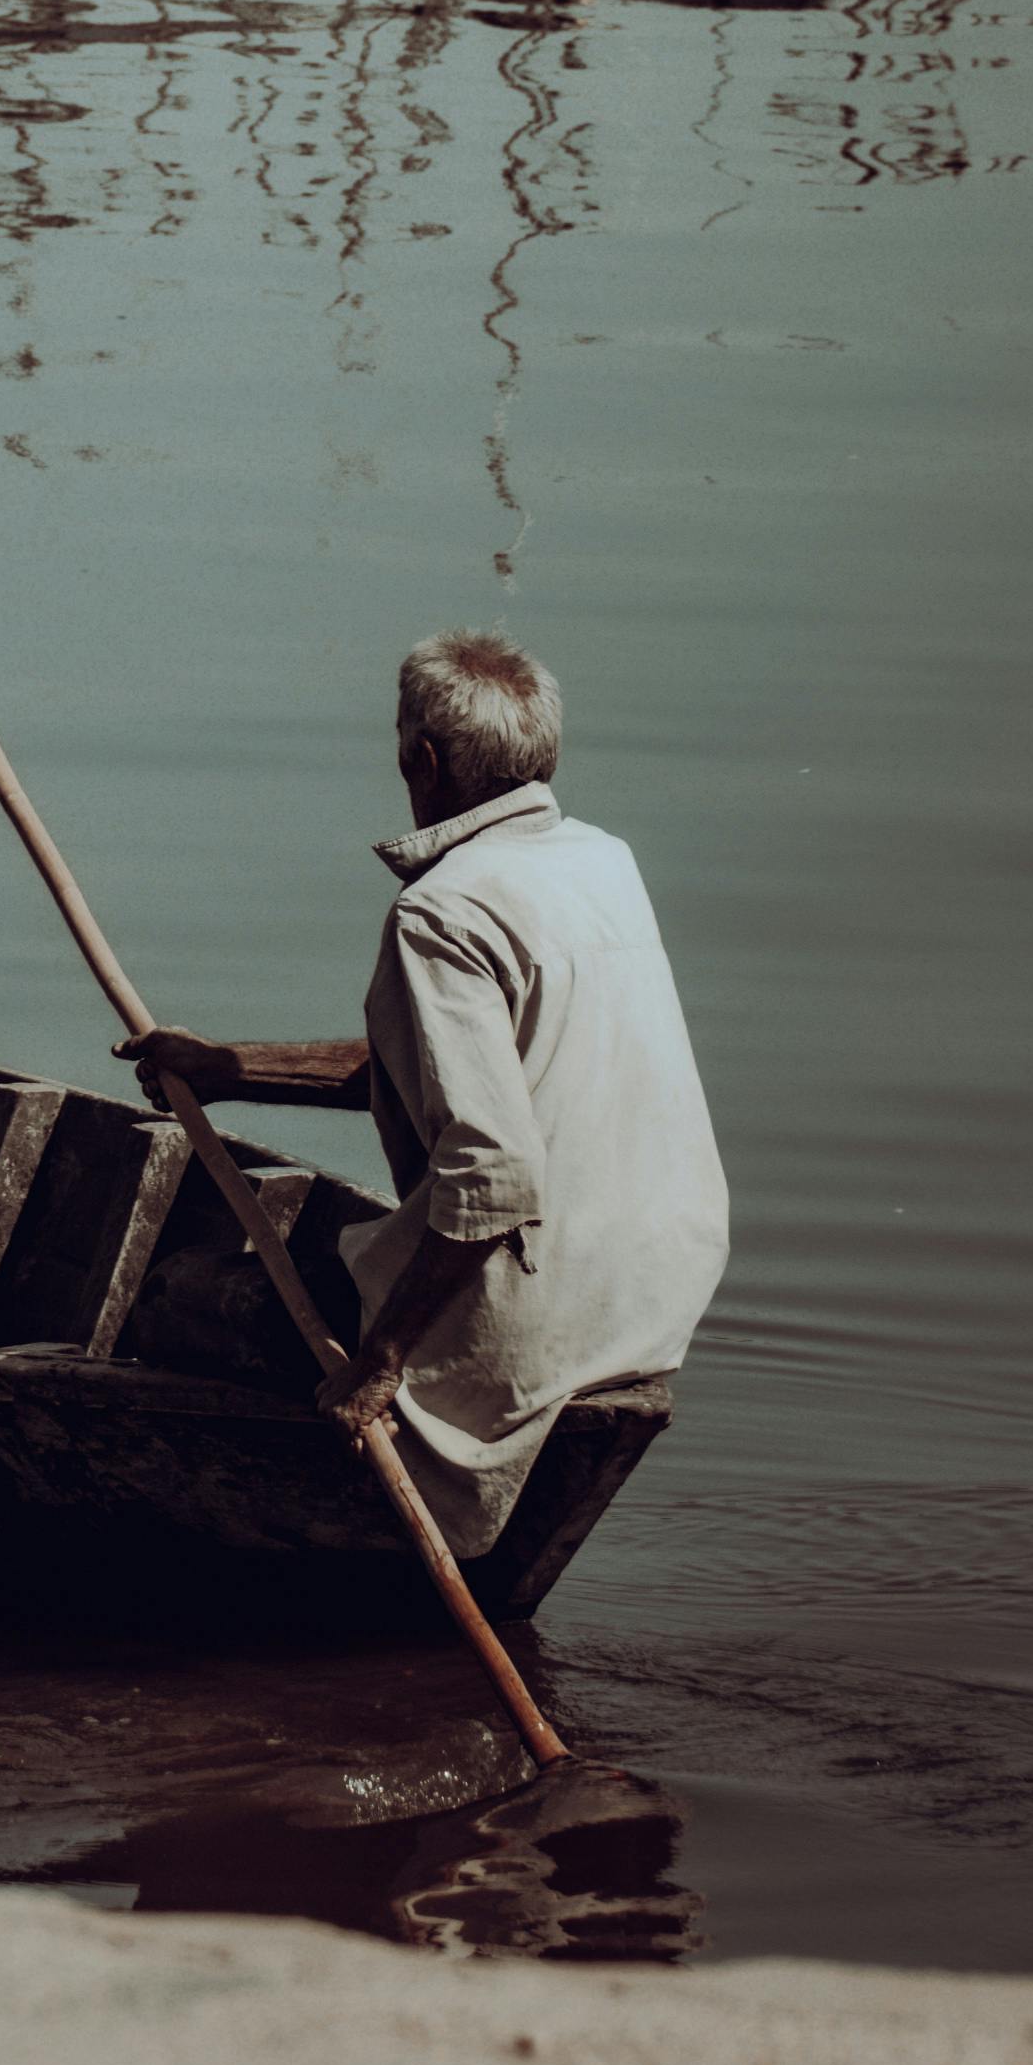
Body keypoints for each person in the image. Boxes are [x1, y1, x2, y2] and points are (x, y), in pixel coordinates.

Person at [123, 632, 729, 1553]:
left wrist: (381, 1360)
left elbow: (494, 1175)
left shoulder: (440, 911)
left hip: (534, 1308)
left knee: (177, 1301)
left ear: (423, 761)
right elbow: (446, 1077)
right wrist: (227, 1071)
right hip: (652, 1287)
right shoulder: (605, 862)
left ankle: (242, 1553)